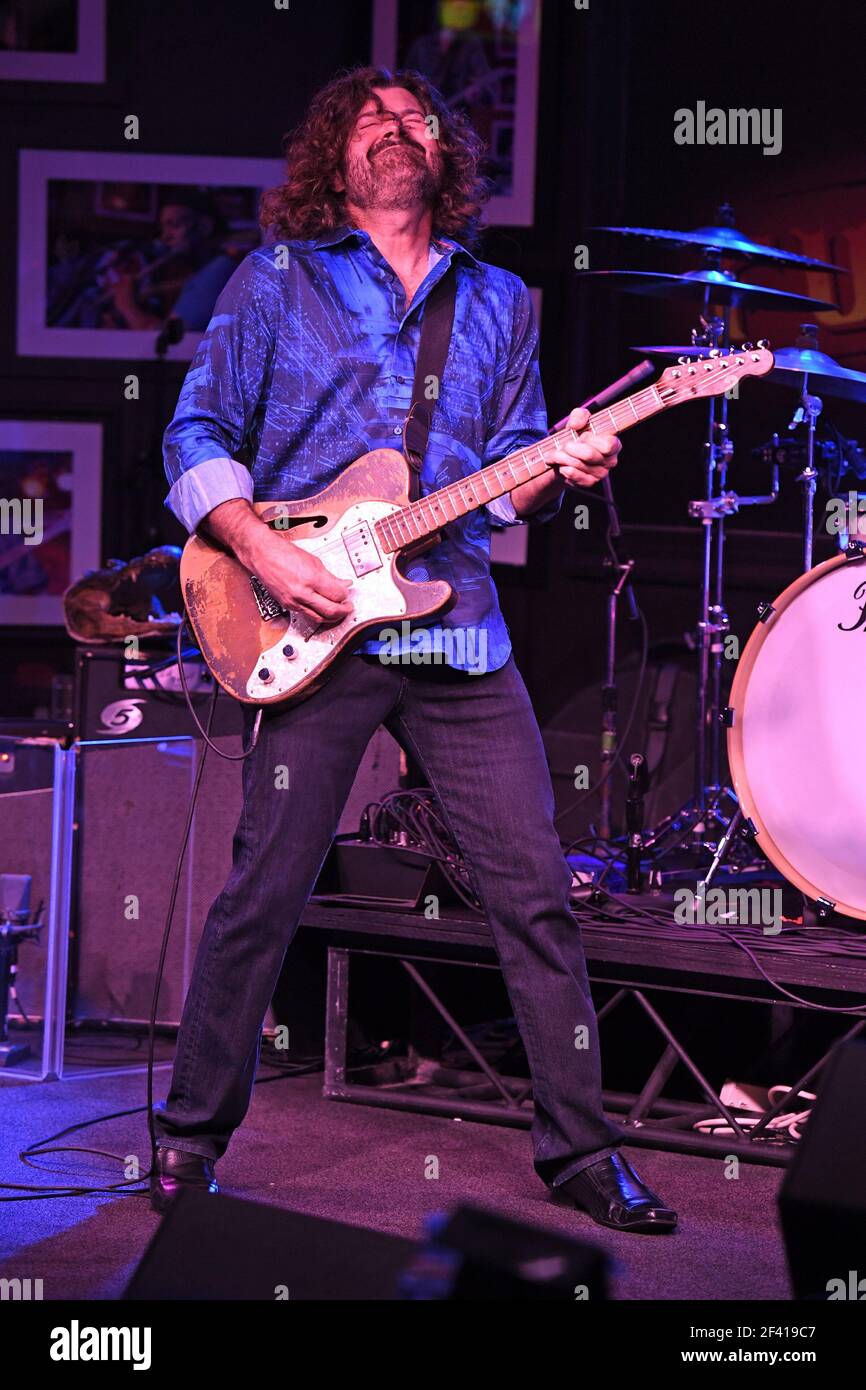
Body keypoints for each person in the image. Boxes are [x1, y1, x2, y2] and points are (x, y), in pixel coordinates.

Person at [153, 64, 677, 1235]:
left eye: (415, 118)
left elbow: (507, 488)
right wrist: (256, 542)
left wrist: (561, 470)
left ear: (445, 156)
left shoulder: (502, 301)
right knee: (262, 894)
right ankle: (188, 1139)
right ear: (335, 158)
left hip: (456, 627)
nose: (396, 131)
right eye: (370, 119)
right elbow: (192, 428)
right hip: (308, 621)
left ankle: (582, 1153)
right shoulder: (277, 278)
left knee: (535, 895)